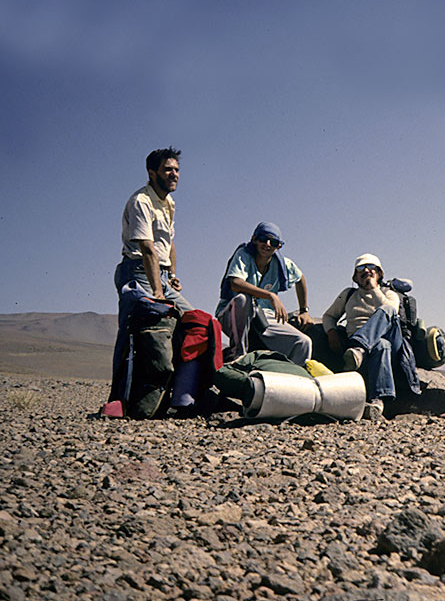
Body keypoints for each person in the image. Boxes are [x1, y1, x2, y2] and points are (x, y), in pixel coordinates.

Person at [321, 253, 419, 417]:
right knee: (381, 345)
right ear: (355, 276)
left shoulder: (389, 294)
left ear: (380, 273)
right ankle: (377, 402)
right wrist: (331, 332)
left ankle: (360, 349)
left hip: (389, 339)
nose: (366, 271)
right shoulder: (348, 295)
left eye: (372, 267)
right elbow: (329, 316)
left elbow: (392, 311)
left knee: (387, 312)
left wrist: (374, 289)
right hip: (362, 344)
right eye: (361, 268)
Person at [216, 222, 313, 365]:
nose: (267, 244)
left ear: (278, 246)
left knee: (304, 342)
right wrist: (270, 295)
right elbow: (235, 283)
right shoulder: (244, 254)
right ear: (254, 239)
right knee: (244, 299)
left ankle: (294, 377)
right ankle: (238, 354)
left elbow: (300, 278)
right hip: (232, 314)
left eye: (273, 242)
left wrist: (304, 310)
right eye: (263, 239)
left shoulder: (282, 264)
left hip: (264, 316)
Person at [114, 147, 192, 311]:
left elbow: (168, 241)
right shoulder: (141, 201)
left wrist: (171, 275)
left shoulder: (169, 202)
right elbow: (147, 249)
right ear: (152, 173)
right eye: (167, 169)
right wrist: (157, 292)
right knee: (151, 323)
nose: (174, 174)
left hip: (161, 276)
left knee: (196, 322)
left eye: (177, 170)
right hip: (139, 271)